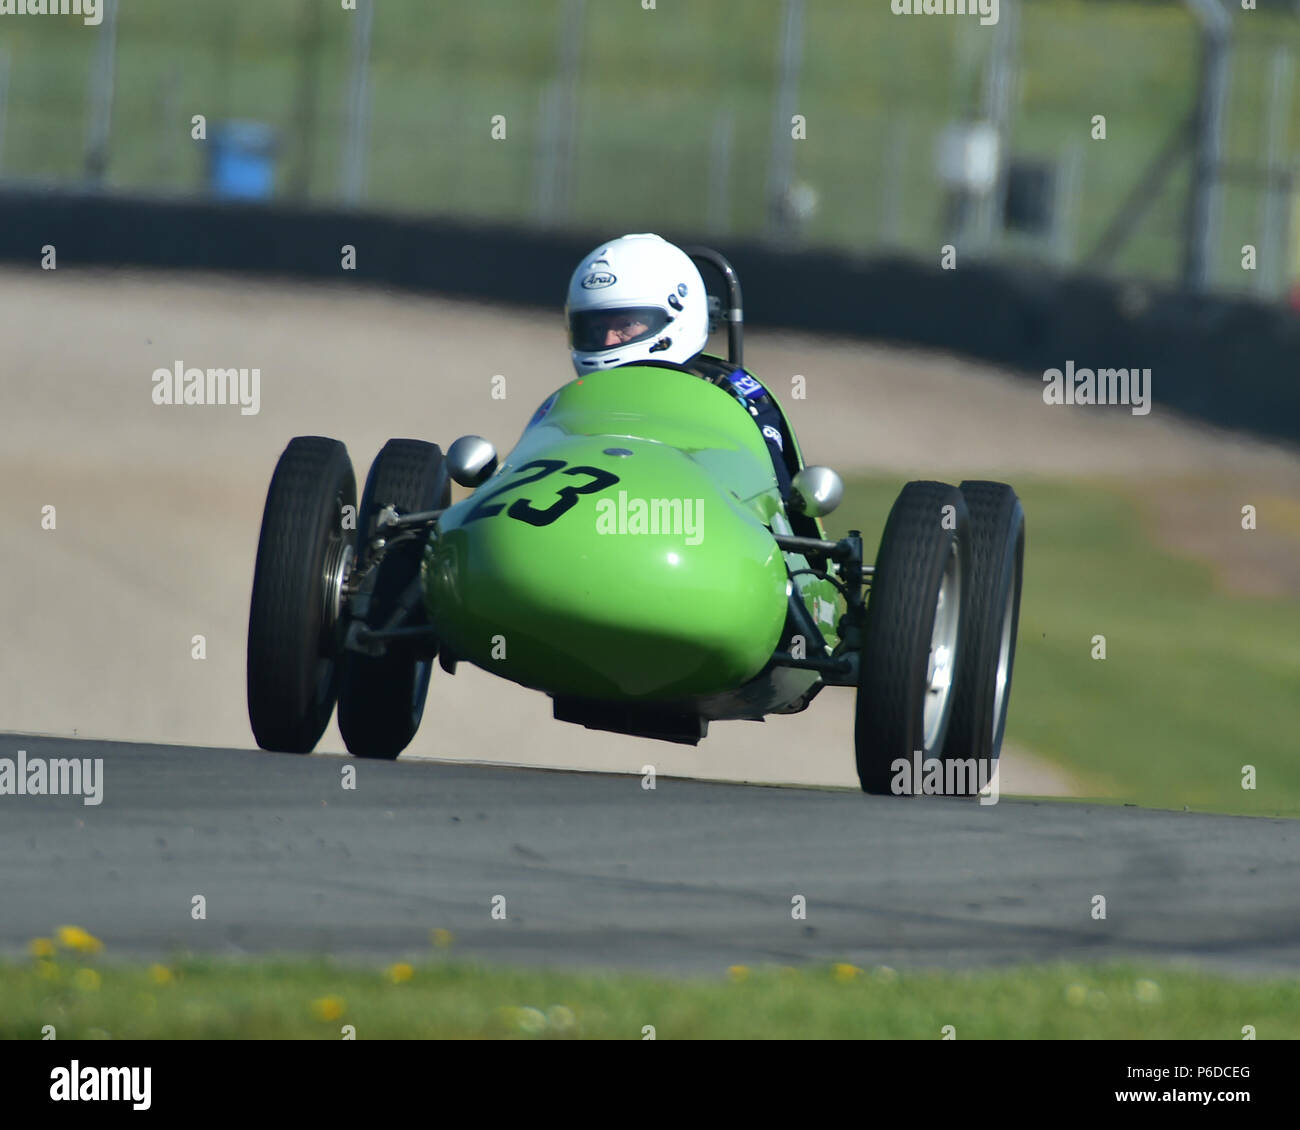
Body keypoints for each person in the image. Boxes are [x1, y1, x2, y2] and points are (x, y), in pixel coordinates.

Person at [565, 232, 798, 498]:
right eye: (594, 328)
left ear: (678, 315)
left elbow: (777, 506)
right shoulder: (570, 406)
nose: (607, 341)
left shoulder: (736, 397)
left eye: (626, 325)